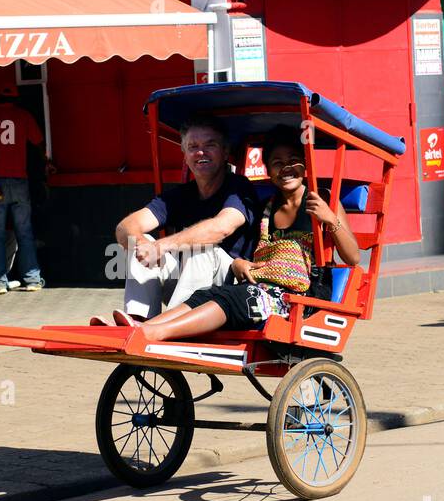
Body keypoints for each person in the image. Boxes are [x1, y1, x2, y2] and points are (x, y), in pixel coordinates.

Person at [131, 126, 359, 341]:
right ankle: (143, 327)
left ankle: (158, 333)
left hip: (298, 297)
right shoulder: (266, 209)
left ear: (305, 165)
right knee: (204, 295)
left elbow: (353, 258)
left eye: (293, 161)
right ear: (269, 171)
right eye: (277, 163)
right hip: (261, 286)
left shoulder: (324, 199)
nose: (286, 168)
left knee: (229, 298)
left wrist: (331, 219)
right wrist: (239, 263)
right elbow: (251, 253)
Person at [101, 113, 259, 325]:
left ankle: (167, 327)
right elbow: (125, 227)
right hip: (187, 284)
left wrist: (162, 245)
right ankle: (139, 318)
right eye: (193, 147)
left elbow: (221, 228)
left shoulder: (239, 188)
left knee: (201, 249)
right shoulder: (181, 195)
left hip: (231, 287)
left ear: (225, 152)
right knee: (138, 241)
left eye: (210, 145)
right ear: (184, 155)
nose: (201, 152)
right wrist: (143, 244)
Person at [0, 86, 49, 294]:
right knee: (24, 232)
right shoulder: (23, 116)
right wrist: (46, 162)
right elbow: (38, 142)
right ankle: (32, 279)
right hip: (20, 182)